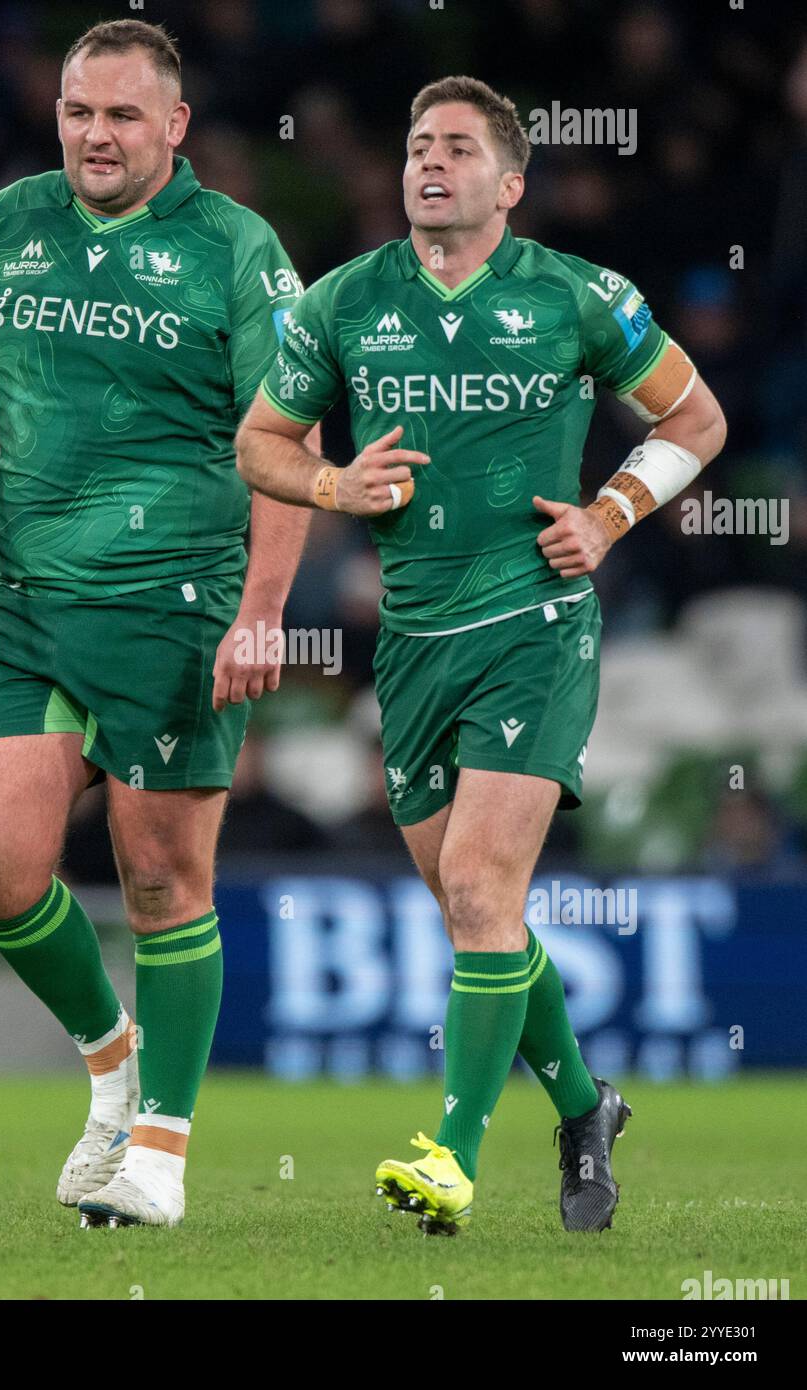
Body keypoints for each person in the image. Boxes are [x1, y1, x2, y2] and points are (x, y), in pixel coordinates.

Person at [236, 75, 726, 1233]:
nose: (428, 163)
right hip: (409, 646)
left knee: (477, 888)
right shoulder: (342, 303)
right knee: (478, 918)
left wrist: (608, 515)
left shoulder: (577, 297)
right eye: (415, 145)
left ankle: (450, 1155)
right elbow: (259, 439)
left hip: (533, 628)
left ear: (509, 182)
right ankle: (583, 1106)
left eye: (456, 147)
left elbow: (694, 419)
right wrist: (329, 481)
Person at [0, 19, 313, 1231]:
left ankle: (161, 1157)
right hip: (27, 606)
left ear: (173, 127)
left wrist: (263, 612)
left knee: (163, 877)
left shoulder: (234, 248)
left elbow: (288, 441)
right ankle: (109, 1061)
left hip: (174, 608)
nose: (95, 135)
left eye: (123, 115)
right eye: (79, 112)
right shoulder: (8, 224)